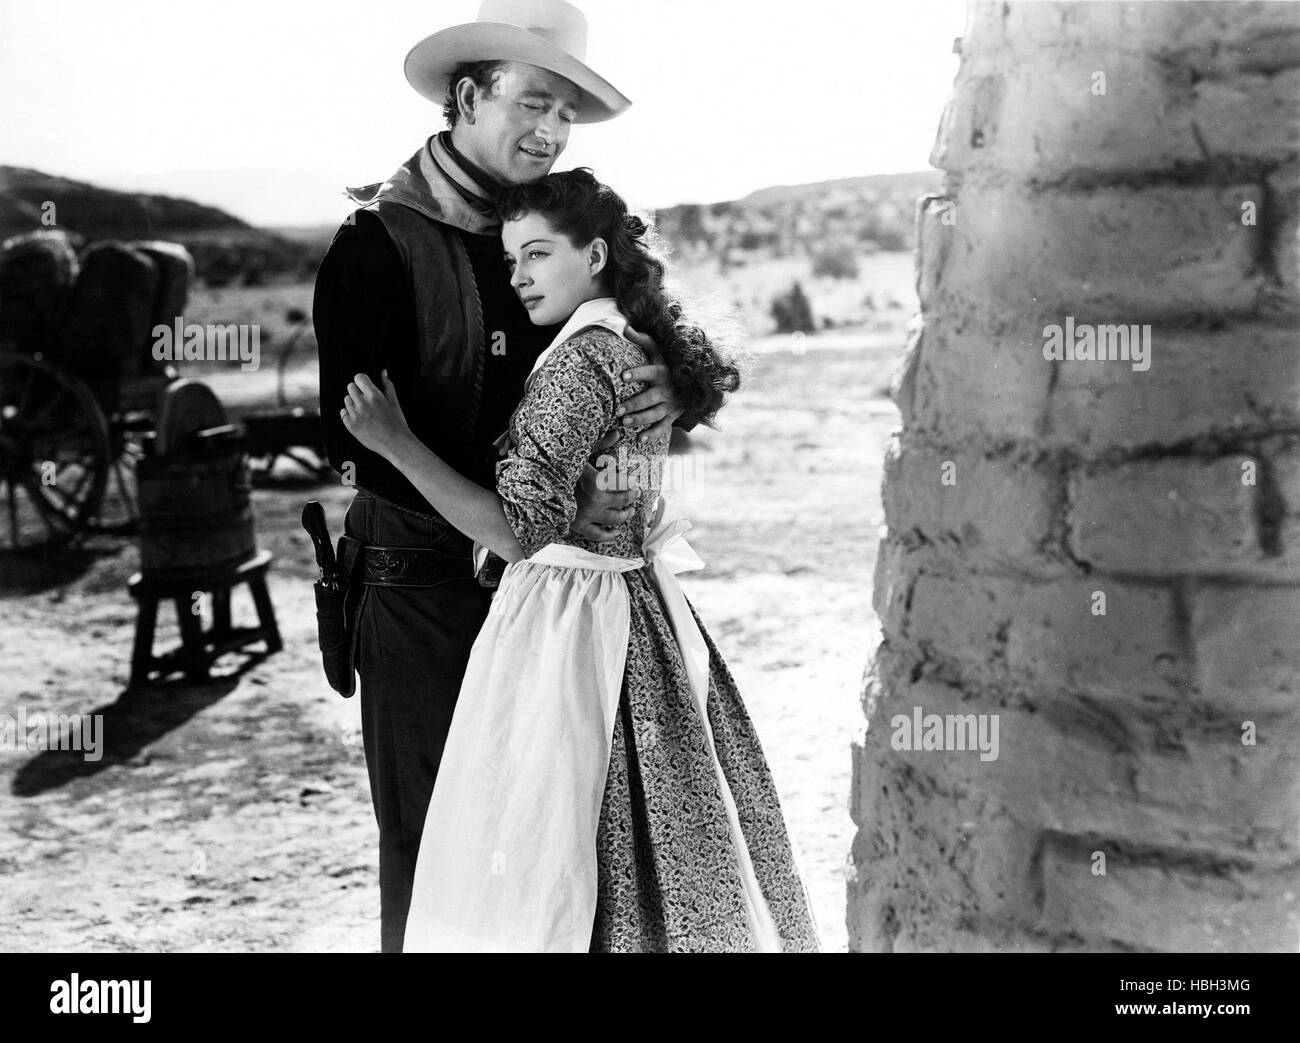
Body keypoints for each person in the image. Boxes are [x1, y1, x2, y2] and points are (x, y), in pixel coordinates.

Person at [341, 169, 822, 952]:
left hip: (574, 621)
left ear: (594, 253)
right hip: (628, 604)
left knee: (557, 835)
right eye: (509, 261)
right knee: (647, 834)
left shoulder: (575, 363)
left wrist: (396, 442)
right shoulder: (628, 342)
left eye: (536, 254)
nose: (520, 276)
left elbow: (519, 530)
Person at [312, 0, 693, 952]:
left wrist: (665, 393)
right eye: (532, 101)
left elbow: (640, 343)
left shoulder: (553, 228)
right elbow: (357, 437)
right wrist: (519, 512)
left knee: (560, 842)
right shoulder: (377, 242)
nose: (550, 130)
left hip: (551, 596)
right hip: (423, 590)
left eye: (565, 111)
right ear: (468, 95)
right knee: (438, 844)